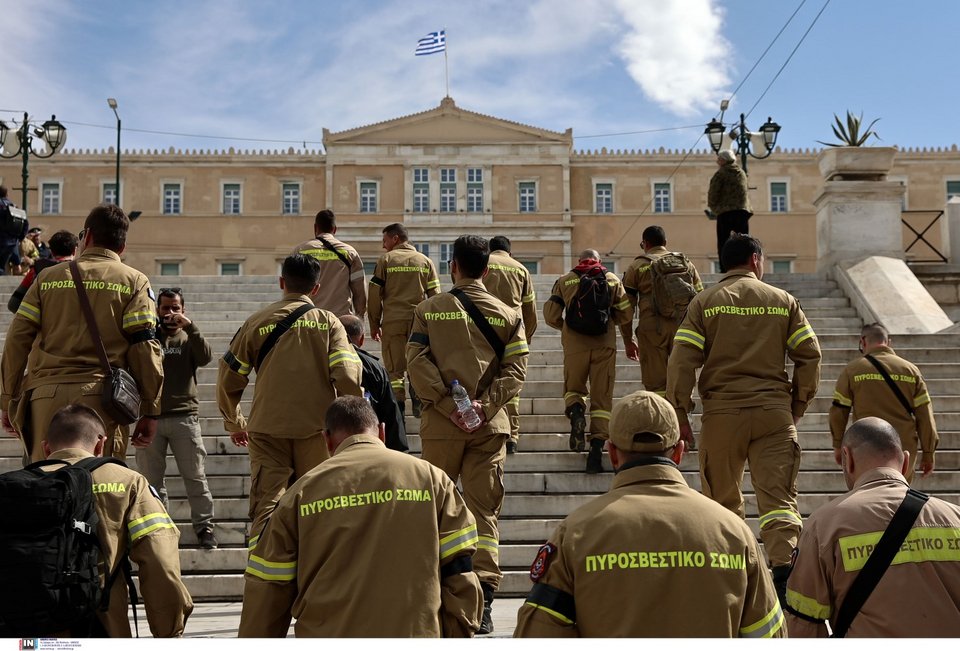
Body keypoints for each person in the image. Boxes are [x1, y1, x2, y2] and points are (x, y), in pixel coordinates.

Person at [514, 391, 785, 638]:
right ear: (679, 453)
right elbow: (770, 636)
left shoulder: (575, 534)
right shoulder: (734, 532)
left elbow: (537, 635)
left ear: (612, 453)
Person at [238, 396, 483, 637]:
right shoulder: (432, 479)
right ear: (382, 432)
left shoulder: (300, 493)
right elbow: (460, 569)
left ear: (327, 440)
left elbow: (268, 587)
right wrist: (456, 633)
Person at [666, 233, 821, 602]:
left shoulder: (705, 302)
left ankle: (734, 578)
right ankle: (783, 576)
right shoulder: (783, 301)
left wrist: (680, 411)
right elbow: (810, 356)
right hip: (773, 413)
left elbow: (681, 361)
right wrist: (796, 405)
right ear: (755, 260)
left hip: (722, 415)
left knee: (722, 502)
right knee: (779, 501)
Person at [407, 234, 529, 634]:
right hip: (488, 428)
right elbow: (516, 371)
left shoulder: (428, 309)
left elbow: (415, 361)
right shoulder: (509, 314)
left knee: (434, 510)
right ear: (488, 271)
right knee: (484, 513)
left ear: (452, 266)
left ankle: (435, 593)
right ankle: (484, 601)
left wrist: (449, 406)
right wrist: (484, 407)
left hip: (442, 428)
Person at [1, 203, 164, 463]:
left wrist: (8, 400)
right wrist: (151, 409)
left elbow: (17, 341)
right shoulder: (134, 281)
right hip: (103, 402)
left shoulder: (46, 278)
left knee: (45, 482)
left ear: (86, 237)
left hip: (44, 399)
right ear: (122, 247)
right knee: (99, 483)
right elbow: (144, 347)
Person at [218, 253, 363, 542]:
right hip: (318, 430)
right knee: (320, 502)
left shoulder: (256, 321)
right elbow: (347, 375)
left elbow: (228, 377)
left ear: (281, 282)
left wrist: (235, 422)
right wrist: (355, 426)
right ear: (316, 288)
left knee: (268, 503)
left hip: (267, 430)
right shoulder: (329, 323)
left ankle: (263, 564)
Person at [786, 417, 960, 637]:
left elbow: (804, 627)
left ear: (847, 458)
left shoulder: (822, 526)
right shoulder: (955, 518)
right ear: (906, 462)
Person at [43, 404, 193, 637]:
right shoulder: (129, 482)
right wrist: (169, 632)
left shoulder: (16, 487)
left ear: (46, 448)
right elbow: (160, 562)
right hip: (103, 626)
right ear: (101, 444)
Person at [135, 288, 218, 549]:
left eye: (176, 308)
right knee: (152, 481)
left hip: (185, 418)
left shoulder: (188, 338)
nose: (170, 313)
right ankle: (160, 527)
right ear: (157, 310)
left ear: (183, 310)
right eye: (165, 308)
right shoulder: (149, 338)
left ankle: (204, 527)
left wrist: (190, 327)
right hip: (151, 419)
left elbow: (206, 357)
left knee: (195, 477)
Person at [543, 249, 632, 473]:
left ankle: (576, 412)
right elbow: (626, 314)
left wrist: (567, 328)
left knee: (574, 388)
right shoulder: (612, 279)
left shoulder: (565, 280)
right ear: (599, 261)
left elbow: (551, 315)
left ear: (579, 261)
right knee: (602, 397)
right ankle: (595, 453)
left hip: (575, 346)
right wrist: (608, 322)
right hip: (604, 345)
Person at [829, 322, 937, 482]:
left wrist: (838, 444)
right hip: (902, 447)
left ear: (863, 341)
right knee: (899, 492)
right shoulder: (910, 370)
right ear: (888, 342)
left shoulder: (852, 370)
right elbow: (925, 415)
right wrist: (928, 452)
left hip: (864, 447)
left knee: (867, 491)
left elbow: (839, 411)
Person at [620, 225, 703, 396]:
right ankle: (682, 410)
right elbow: (701, 298)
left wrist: (628, 340)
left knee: (656, 383)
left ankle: (660, 411)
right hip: (683, 327)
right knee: (681, 377)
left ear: (645, 244)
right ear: (665, 242)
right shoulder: (686, 263)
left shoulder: (637, 266)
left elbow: (626, 308)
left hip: (652, 328)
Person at [368, 222, 440, 417]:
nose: (383, 245)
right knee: (418, 364)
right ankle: (417, 397)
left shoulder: (386, 260)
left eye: (385, 241)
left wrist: (374, 324)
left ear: (395, 239)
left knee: (395, 372)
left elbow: (374, 295)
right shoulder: (426, 261)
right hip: (419, 324)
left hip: (393, 323)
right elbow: (435, 297)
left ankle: (399, 416)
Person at [482, 235, 537, 453]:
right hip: (513, 331)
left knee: (486, 379)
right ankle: (512, 436)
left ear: (490, 250)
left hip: (485, 330)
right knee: (511, 380)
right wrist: (526, 337)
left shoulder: (483, 264)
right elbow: (530, 309)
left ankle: (490, 428)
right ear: (510, 252)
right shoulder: (521, 269)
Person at [338, 313, 408, 452]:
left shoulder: (321, 363)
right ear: (362, 339)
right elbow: (390, 413)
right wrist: (399, 451)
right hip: (369, 443)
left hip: (334, 444)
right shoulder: (375, 368)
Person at [292, 209, 366, 317]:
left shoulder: (300, 250)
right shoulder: (350, 252)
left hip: (310, 317)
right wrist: (360, 317)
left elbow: (291, 288)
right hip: (340, 319)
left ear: (315, 228)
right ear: (334, 229)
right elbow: (360, 292)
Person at [8, 229, 78, 313]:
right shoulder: (84, 271)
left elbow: (13, 304)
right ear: (74, 251)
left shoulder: (37, 270)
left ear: (52, 252)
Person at [708, 150, 753, 272]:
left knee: (723, 242)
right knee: (743, 242)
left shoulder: (721, 174)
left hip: (725, 213)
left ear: (723, 160)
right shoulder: (741, 173)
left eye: (719, 159)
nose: (717, 162)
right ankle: (744, 267)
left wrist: (714, 208)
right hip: (742, 212)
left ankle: (725, 269)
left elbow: (713, 193)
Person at [0, 185, 28, 275]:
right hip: (11, 242)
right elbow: (25, 224)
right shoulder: (14, 207)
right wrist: (19, 238)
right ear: (7, 194)